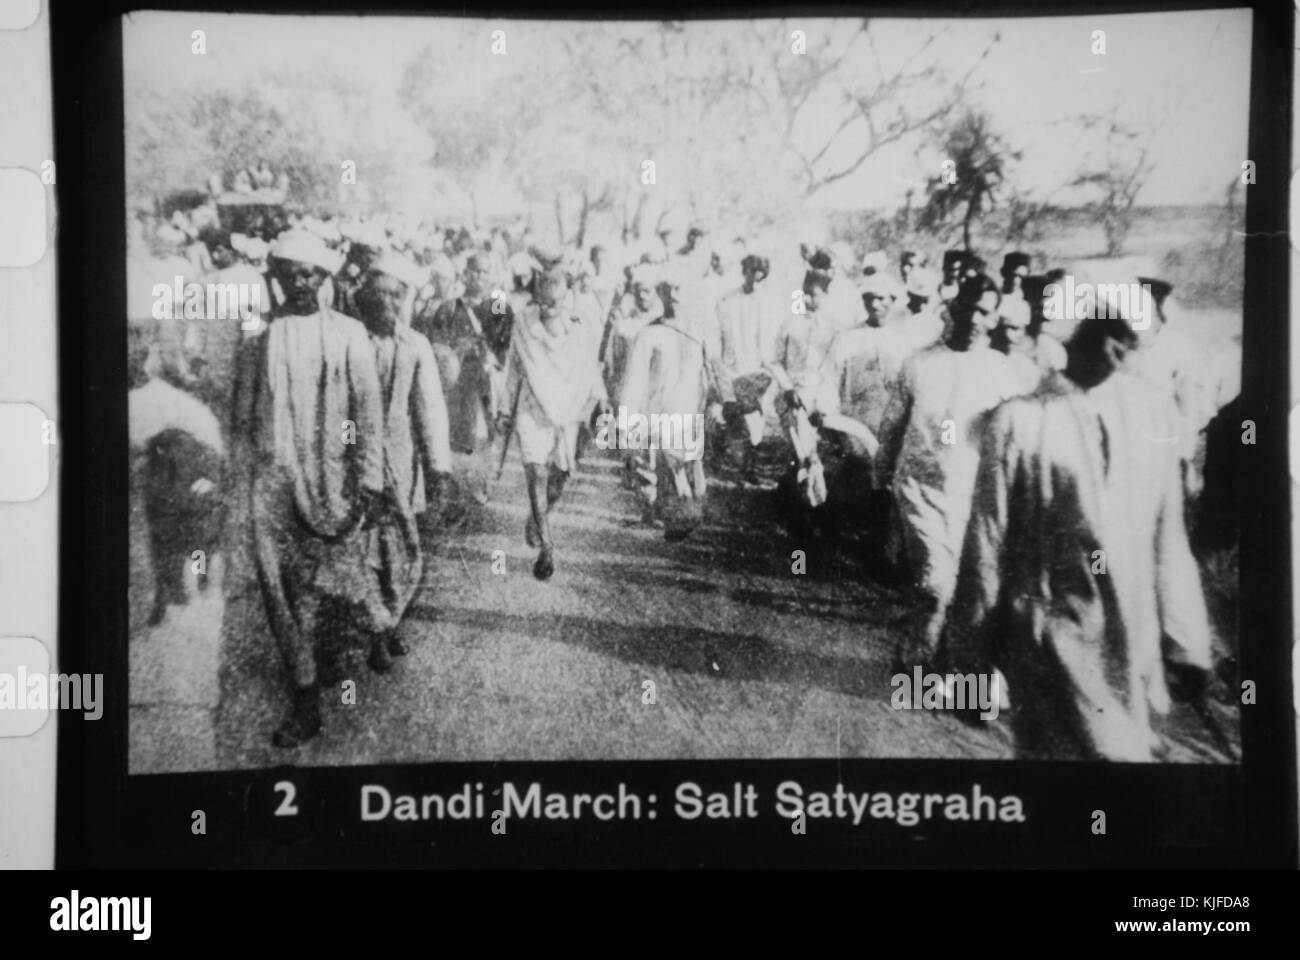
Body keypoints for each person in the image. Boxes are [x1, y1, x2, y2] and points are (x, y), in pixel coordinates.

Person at [941, 304, 1213, 761]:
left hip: (1131, 640)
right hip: (1050, 638)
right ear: (1076, 336)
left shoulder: (1154, 414)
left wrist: (1188, 642)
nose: (1119, 343)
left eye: (1128, 333)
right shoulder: (1020, 422)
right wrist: (969, 669)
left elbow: (1168, 540)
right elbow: (985, 549)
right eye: (1104, 328)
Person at [231, 229, 386, 748]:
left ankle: (370, 628)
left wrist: (367, 478)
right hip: (272, 485)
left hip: (331, 482)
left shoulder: (348, 333)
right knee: (281, 593)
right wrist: (242, 483)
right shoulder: (257, 336)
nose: (300, 282)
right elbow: (242, 417)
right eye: (290, 272)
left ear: (323, 278)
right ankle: (304, 701)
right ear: (275, 276)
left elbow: (367, 412)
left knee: (333, 582)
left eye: (310, 273)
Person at [875, 275, 1035, 667]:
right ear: (955, 307)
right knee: (935, 585)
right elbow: (892, 425)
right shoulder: (919, 362)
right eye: (970, 307)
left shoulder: (1001, 372)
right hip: (918, 488)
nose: (975, 318)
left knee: (966, 590)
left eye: (985, 311)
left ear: (994, 318)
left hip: (972, 496)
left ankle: (937, 654)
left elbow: (1015, 439)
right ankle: (917, 662)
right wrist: (880, 477)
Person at [350, 250, 454, 667]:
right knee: (364, 547)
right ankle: (376, 631)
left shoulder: (415, 346)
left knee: (400, 548)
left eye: (396, 296)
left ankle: (389, 621)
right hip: (355, 462)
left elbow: (430, 410)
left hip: (401, 462)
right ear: (365, 297)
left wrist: (438, 470)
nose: (387, 304)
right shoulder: (350, 339)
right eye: (380, 295)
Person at [501, 263, 608, 579]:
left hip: (568, 407)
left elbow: (589, 363)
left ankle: (538, 517)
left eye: (555, 299)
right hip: (533, 406)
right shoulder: (522, 321)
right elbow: (513, 367)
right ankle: (547, 547)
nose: (549, 306)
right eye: (543, 298)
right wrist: (505, 411)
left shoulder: (577, 322)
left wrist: (600, 399)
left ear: (566, 295)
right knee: (535, 472)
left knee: (560, 475)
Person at [620, 275, 725, 539]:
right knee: (658, 473)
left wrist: (718, 402)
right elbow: (634, 382)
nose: (675, 296)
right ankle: (660, 514)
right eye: (669, 290)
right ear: (661, 295)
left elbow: (715, 372)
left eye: (681, 289)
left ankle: (683, 515)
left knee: (690, 477)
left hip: (691, 416)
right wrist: (627, 424)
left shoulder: (700, 333)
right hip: (659, 418)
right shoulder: (648, 335)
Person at [714, 253, 782, 483]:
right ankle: (741, 466)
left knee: (754, 418)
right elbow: (722, 337)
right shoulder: (727, 300)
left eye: (760, 277)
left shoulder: (770, 301)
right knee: (735, 418)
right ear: (744, 272)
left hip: (758, 369)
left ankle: (751, 465)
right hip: (734, 367)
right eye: (751, 274)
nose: (755, 281)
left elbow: (772, 340)